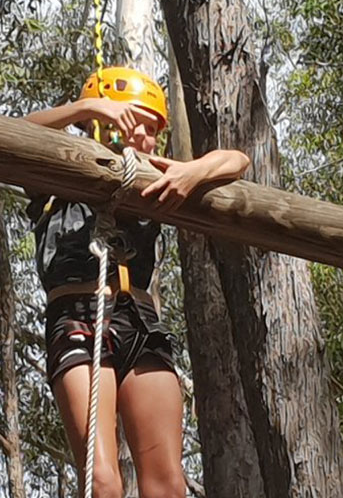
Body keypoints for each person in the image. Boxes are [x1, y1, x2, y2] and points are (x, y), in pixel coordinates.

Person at [19, 66, 250, 498]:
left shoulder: (159, 176)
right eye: (136, 124)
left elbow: (238, 160)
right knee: (103, 483)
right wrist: (86, 107)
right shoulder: (56, 165)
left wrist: (193, 172)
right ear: (106, 123)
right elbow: (12, 132)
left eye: (153, 129)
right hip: (80, 316)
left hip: (142, 322)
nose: (146, 138)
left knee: (167, 485)